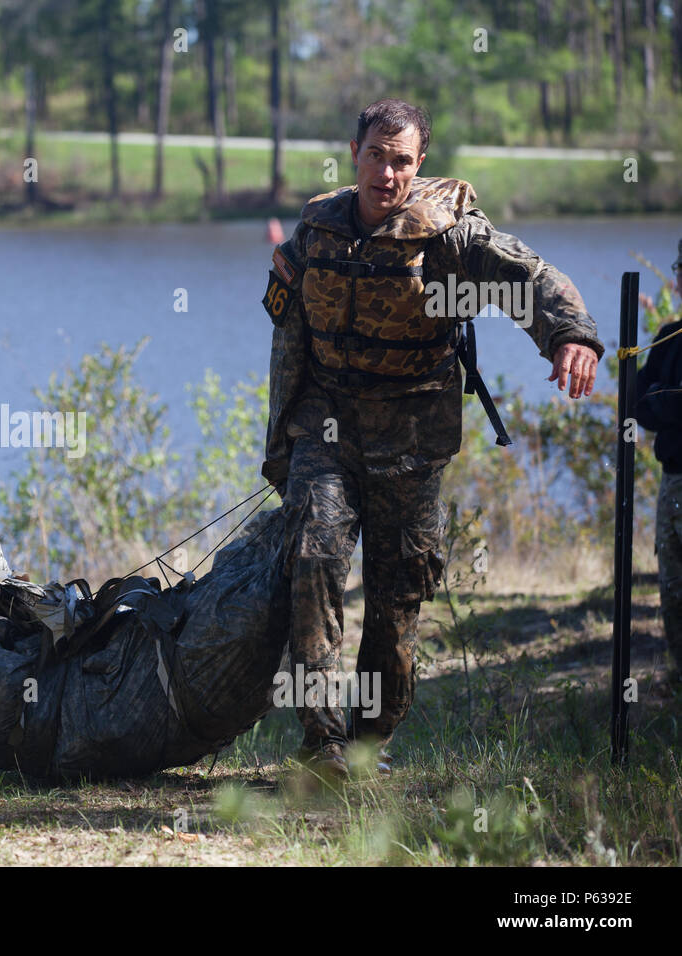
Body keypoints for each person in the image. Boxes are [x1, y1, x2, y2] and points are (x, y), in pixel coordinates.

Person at [261, 98, 603, 778]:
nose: (387, 174)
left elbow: (529, 278)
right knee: (313, 558)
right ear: (354, 152)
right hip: (326, 427)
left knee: (397, 594)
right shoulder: (318, 227)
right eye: (376, 157)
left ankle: (367, 745)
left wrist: (571, 336)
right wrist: (282, 434)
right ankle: (322, 740)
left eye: (402, 161)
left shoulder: (449, 236)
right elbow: (287, 315)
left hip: (411, 437)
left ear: (419, 167)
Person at [635, 239, 682, 691]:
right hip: (673, 479)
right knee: (672, 586)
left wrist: (662, 398)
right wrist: (667, 400)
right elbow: (639, 405)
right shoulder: (669, 336)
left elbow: (655, 400)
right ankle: (679, 676)